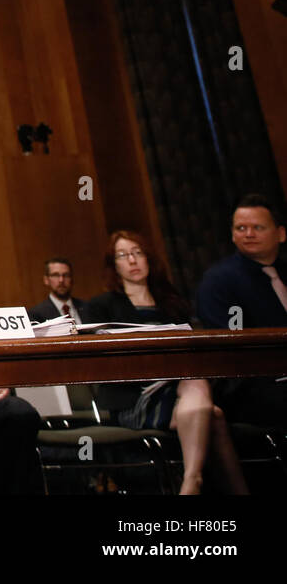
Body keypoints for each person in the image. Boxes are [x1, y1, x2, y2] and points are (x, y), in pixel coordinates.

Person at [82, 230, 247, 494]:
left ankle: (192, 480)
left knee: (197, 387)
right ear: (114, 265)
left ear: (149, 258)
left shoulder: (172, 301)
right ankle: (200, 483)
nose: (133, 260)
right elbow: (99, 362)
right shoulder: (101, 306)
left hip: (182, 387)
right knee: (212, 415)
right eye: (123, 255)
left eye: (138, 252)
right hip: (134, 397)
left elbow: (196, 347)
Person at [196, 194, 287, 428]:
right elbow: (230, 343)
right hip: (252, 384)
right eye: (241, 228)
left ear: (281, 234)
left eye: (257, 227)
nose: (248, 234)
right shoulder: (219, 281)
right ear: (232, 234)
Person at [28, 258, 86, 323]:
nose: (61, 280)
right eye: (55, 275)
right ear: (46, 280)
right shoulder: (36, 314)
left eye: (66, 275)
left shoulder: (88, 308)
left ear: (71, 279)